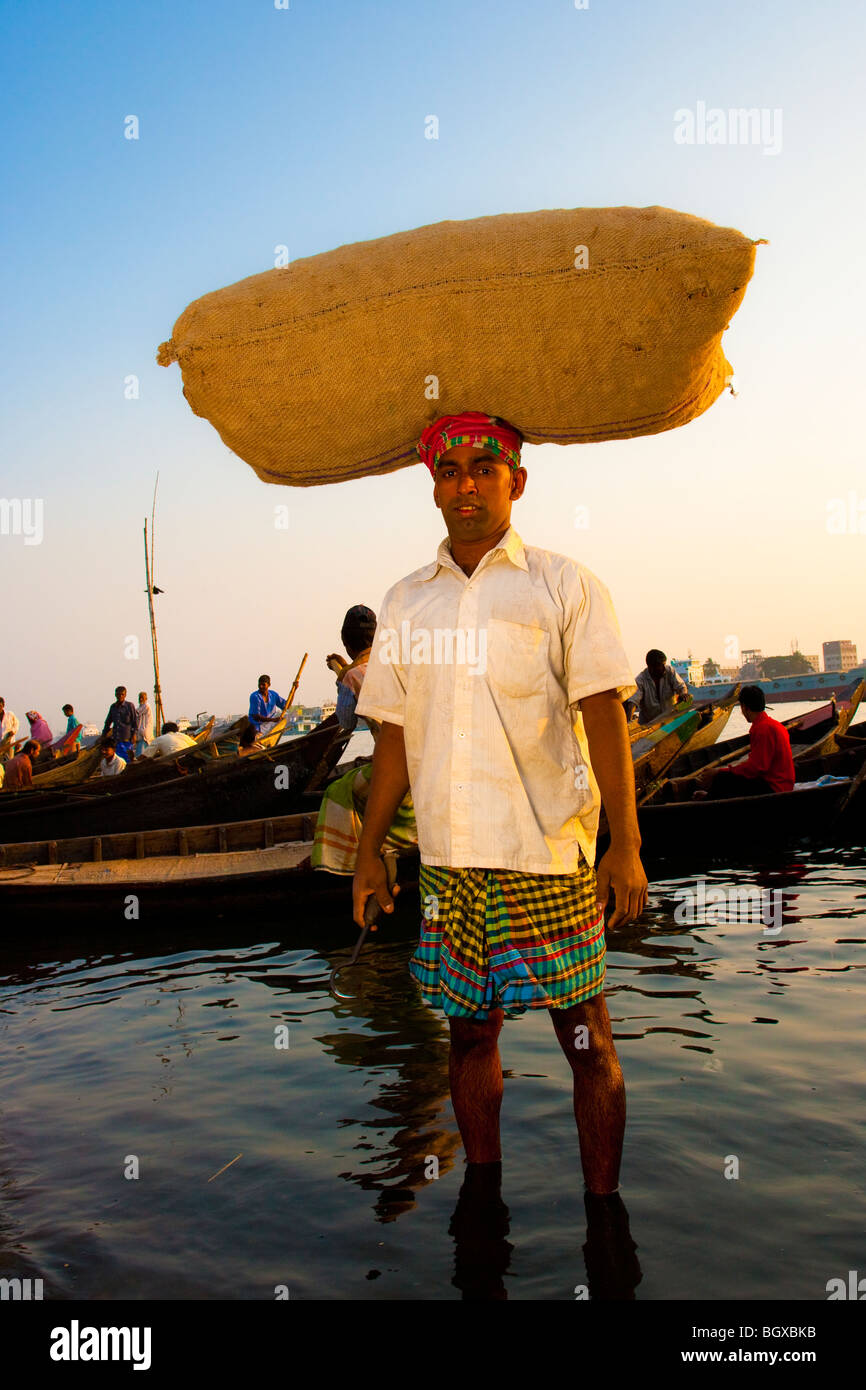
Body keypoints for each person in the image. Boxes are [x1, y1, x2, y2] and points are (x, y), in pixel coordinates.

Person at [352, 411, 647, 1201]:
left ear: (516, 483)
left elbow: (602, 712)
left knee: (586, 1042)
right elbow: (394, 739)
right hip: (450, 863)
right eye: (450, 472)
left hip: (548, 853)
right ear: (434, 489)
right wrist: (369, 850)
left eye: (485, 467)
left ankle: (604, 1215)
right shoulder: (407, 604)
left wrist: (626, 845)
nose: (467, 484)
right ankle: (483, 1204)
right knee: (470, 1037)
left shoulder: (564, 585)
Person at [312, 606, 417, 873]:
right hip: (425, 763)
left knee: (337, 791)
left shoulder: (351, 676)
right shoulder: (400, 662)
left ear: (347, 644)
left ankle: (342, 861)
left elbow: (346, 722)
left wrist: (342, 676)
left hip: (396, 770)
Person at [693, 685, 795, 800]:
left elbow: (756, 768)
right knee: (725, 776)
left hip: (775, 787)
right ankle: (710, 796)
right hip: (781, 783)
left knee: (721, 778)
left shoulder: (762, 729)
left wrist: (719, 771)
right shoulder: (774, 725)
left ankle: (708, 799)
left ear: (745, 708)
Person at [625, 650, 689, 725]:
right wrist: (628, 722)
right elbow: (633, 702)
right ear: (651, 667)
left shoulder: (669, 671)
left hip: (670, 720)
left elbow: (681, 687)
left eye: (664, 664)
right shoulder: (640, 680)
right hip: (649, 724)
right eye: (660, 666)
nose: (663, 668)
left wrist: (683, 694)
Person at [103, 686, 138, 761]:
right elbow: (108, 722)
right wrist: (103, 735)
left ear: (125, 695)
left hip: (127, 740)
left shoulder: (129, 706)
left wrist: (134, 734)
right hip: (116, 740)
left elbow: (135, 721)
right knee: (117, 761)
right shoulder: (113, 707)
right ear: (115, 695)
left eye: (122, 694)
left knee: (127, 760)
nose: (120, 696)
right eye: (118, 694)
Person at [134, 691, 154, 757]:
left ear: (146, 698)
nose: (141, 699)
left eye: (142, 698)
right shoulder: (140, 706)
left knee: (143, 752)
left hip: (145, 734)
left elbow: (136, 713)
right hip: (141, 734)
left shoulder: (146, 706)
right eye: (140, 698)